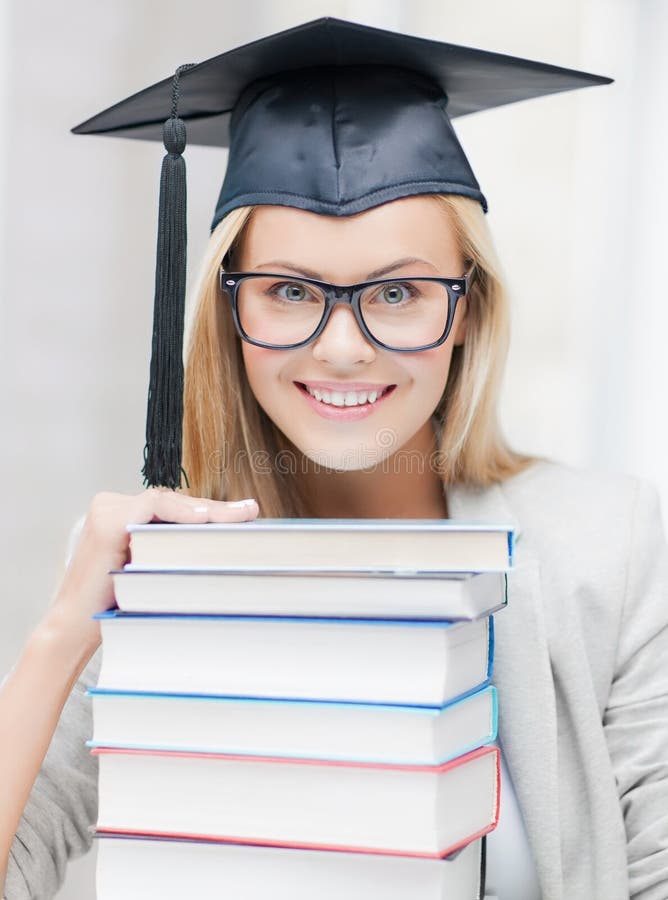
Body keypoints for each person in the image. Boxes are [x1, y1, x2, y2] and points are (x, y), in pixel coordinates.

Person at [1, 18, 667, 900]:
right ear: (224, 313)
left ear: (468, 307)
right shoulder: (159, 580)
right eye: (288, 291)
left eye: (397, 292)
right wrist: (59, 639)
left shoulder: (610, 551)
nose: (343, 348)